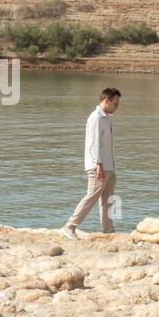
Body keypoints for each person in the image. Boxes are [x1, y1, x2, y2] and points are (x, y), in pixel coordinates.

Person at [63, 88, 120, 239]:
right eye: (115, 103)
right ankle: (70, 226)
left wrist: (111, 167)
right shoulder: (96, 118)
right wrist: (98, 164)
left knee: (108, 200)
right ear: (106, 101)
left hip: (109, 167)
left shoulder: (107, 118)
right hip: (98, 166)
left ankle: (109, 231)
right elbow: (92, 144)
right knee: (91, 197)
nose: (117, 107)